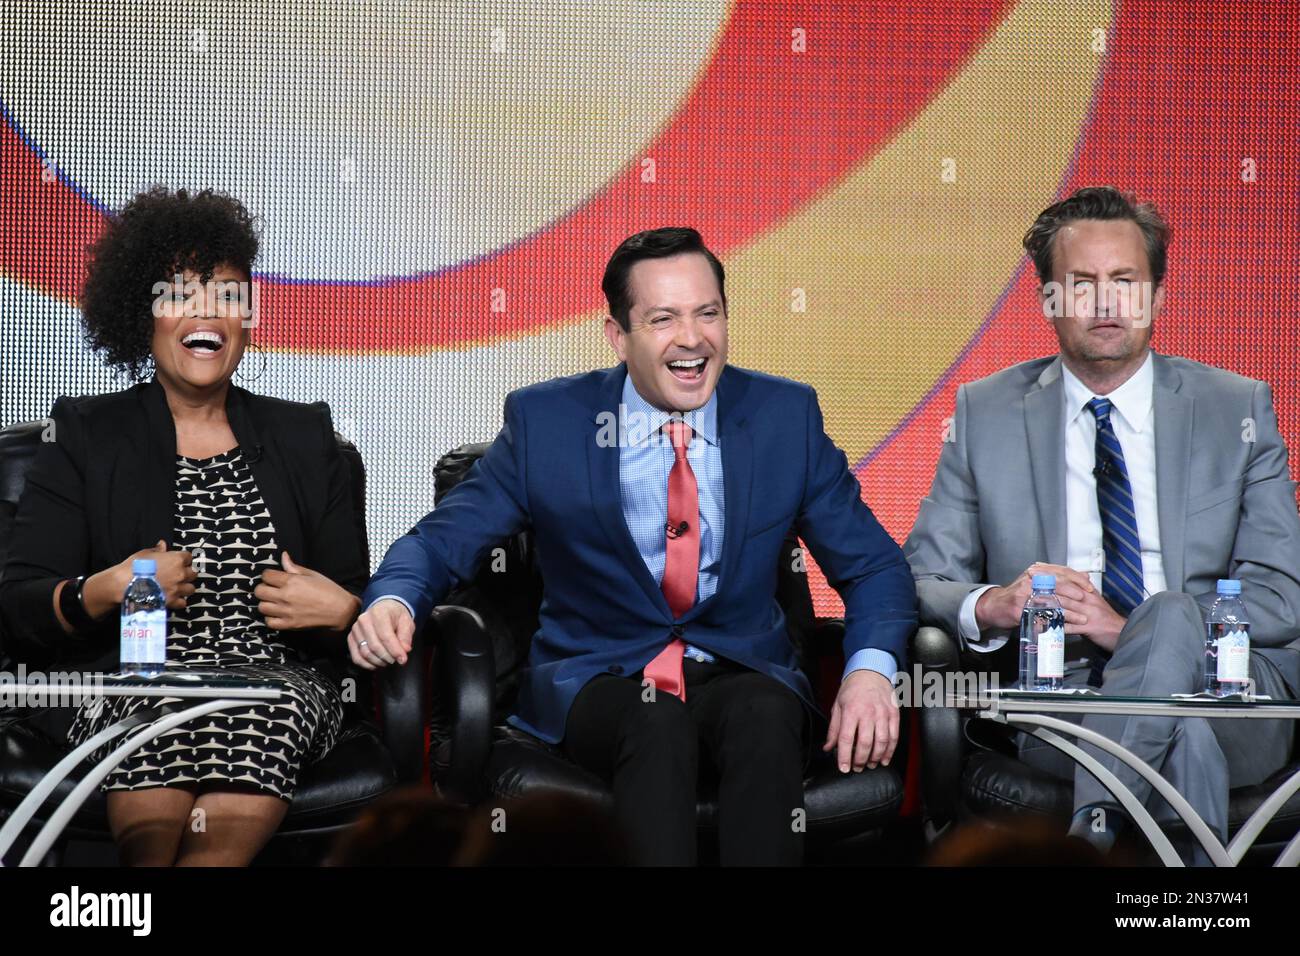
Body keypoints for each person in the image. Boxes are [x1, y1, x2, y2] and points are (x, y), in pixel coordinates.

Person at [351, 227, 917, 865]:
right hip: (601, 675)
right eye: (663, 319)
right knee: (657, 720)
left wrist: (870, 670)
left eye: (708, 313)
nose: (693, 339)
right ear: (617, 336)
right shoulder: (551, 423)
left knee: (764, 712)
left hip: (741, 671)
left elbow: (874, 568)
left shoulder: (783, 416)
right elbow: (441, 541)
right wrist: (396, 597)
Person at [904, 186, 1300, 863]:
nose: (1108, 303)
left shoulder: (1236, 408)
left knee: (1172, 615)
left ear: (1158, 293)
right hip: (1067, 691)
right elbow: (923, 576)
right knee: (1185, 738)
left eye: (1126, 281)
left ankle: (1092, 833)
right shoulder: (986, 412)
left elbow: (1282, 598)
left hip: (1227, 686)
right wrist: (995, 603)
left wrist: (1135, 630)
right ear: (1048, 299)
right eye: (1082, 284)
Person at [0, 187, 368, 865]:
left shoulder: (305, 436)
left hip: (274, 685)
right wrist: (106, 589)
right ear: (143, 315)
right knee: (156, 715)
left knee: (265, 707)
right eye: (181, 293)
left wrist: (345, 612)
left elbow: (361, 611)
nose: (207, 311)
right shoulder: (86, 433)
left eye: (228, 294)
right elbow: (20, 603)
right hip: (131, 682)